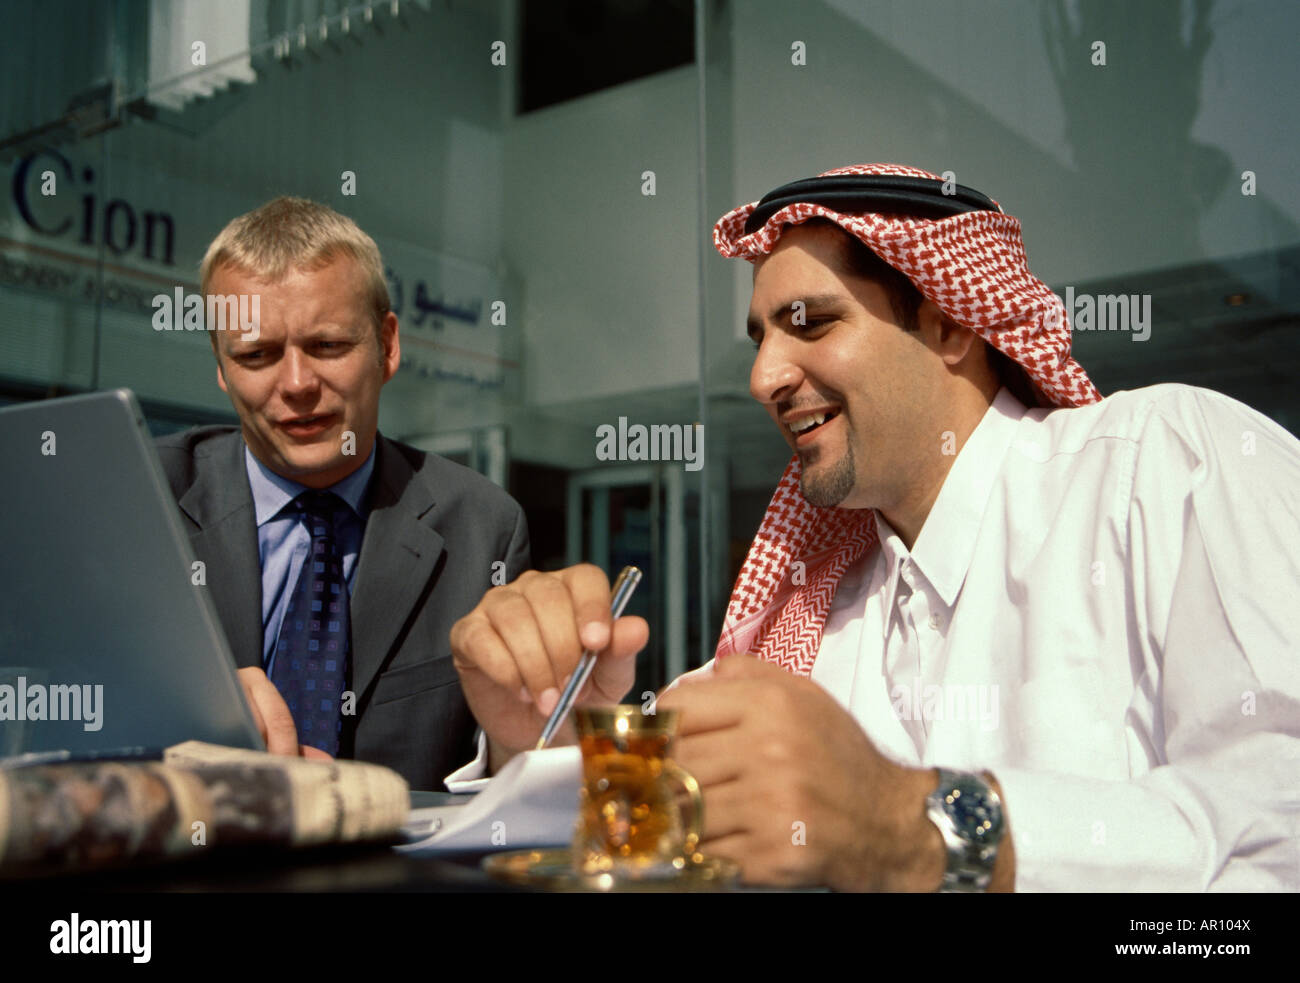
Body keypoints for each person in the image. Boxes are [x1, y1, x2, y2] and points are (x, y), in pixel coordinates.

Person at [449, 164, 1300, 890]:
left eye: (810, 323)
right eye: (759, 339)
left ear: (949, 321)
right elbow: (667, 824)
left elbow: (1277, 828)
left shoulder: (1162, 463)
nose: (763, 377)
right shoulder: (817, 602)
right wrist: (550, 734)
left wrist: (918, 829)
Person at [157, 197, 530, 790]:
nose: (299, 385)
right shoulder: (146, 503)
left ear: (387, 345)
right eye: (256, 355)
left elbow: (509, 771)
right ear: (222, 368)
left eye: (328, 346)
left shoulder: (482, 528)